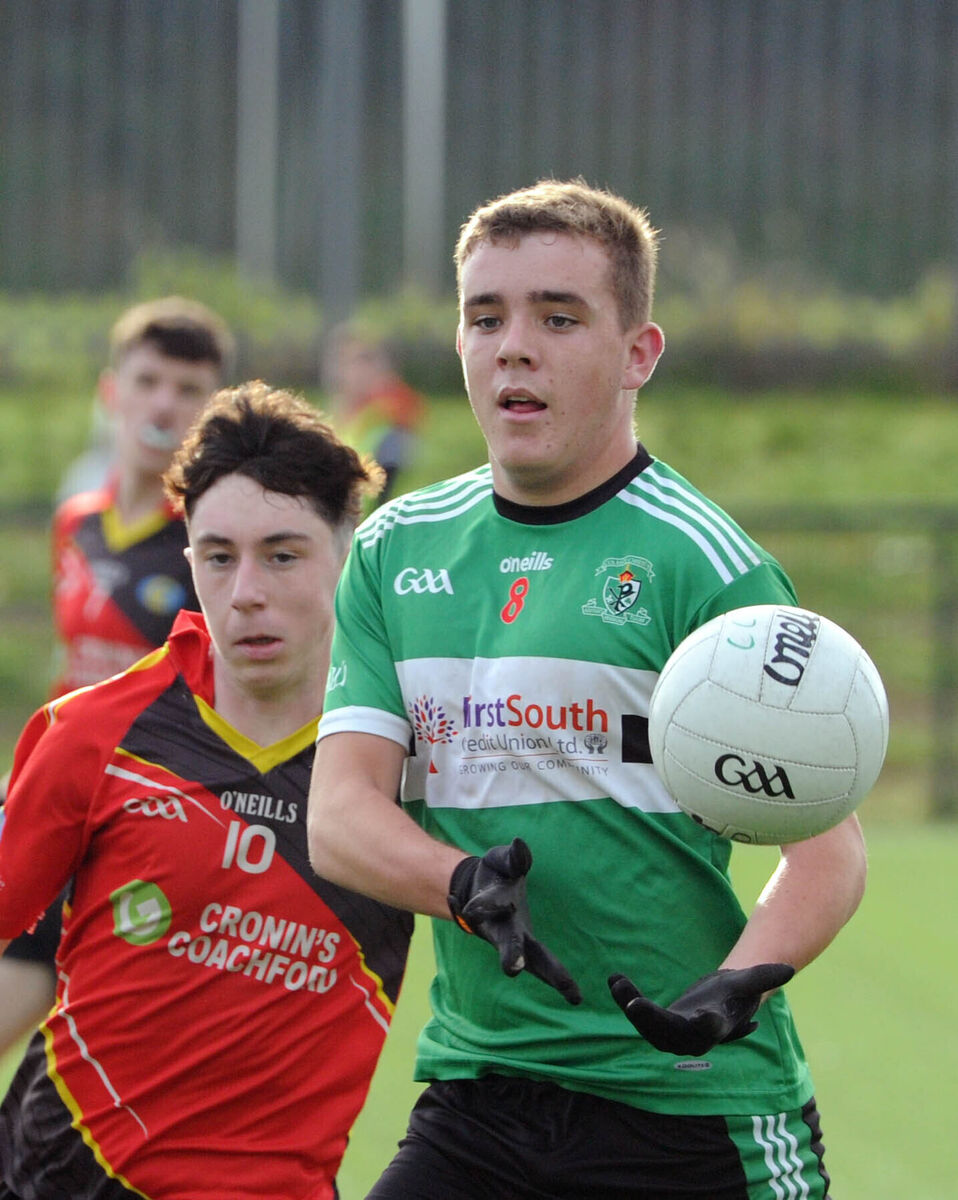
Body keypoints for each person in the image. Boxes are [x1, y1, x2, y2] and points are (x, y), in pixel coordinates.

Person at [307, 179, 866, 1198]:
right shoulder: (394, 551)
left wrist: (734, 985)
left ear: (638, 354)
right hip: (480, 1096)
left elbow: (829, 853)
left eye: (558, 318)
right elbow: (340, 816)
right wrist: (460, 885)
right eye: (486, 318)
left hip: (692, 1109)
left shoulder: (705, 566)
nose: (514, 348)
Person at [0, 383, 412, 1199]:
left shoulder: (406, 758)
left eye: (283, 555)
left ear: (349, 558)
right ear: (189, 558)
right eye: (219, 557)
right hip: (53, 1176)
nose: (246, 591)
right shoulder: (92, 732)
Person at [0, 296, 235, 1058]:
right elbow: (75, 670)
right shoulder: (74, 521)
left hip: (148, 831)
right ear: (112, 392)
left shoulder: (215, 546)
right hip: (55, 804)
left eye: (188, 389)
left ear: (211, 412)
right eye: (148, 381)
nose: (164, 404)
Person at [325, 323, 426, 502]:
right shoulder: (343, 409)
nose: (354, 372)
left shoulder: (390, 406)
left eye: (364, 362)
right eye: (346, 363)